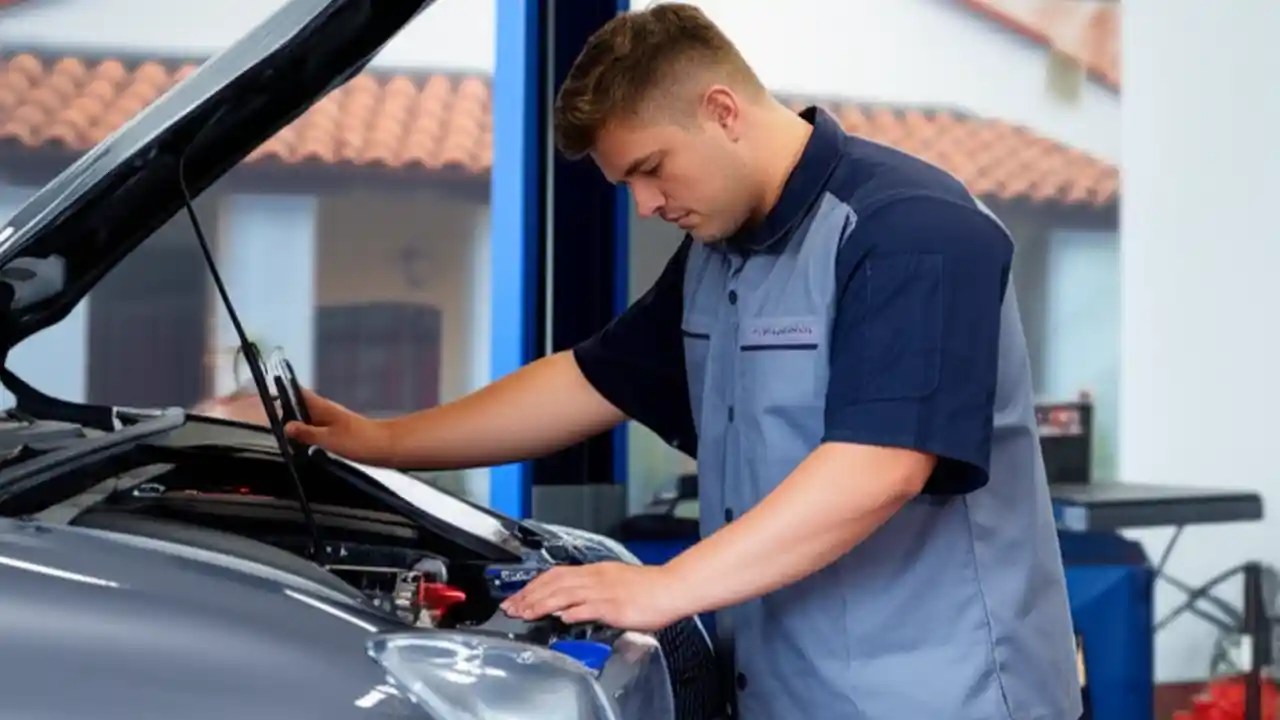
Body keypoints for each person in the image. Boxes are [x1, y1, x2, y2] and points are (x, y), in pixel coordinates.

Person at [285, 3, 1082, 718]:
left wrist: (665, 587)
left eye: (650, 169)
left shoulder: (911, 230)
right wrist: (382, 443)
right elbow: (590, 379)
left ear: (723, 111)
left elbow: (880, 468)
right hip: (784, 691)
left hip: (942, 698)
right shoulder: (721, 253)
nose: (645, 205)